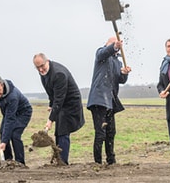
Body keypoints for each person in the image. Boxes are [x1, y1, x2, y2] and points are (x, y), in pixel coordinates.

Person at [33, 53, 85, 165]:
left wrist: (50, 119)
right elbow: (51, 92)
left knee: (63, 131)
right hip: (60, 103)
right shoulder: (44, 73)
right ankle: (59, 159)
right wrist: (51, 105)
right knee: (58, 132)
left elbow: (59, 99)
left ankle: (63, 162)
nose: (41, 70)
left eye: (42, 66)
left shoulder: (58, 74)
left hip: (70, 104)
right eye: (37, 68)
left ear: (47, 61)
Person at [86, 37, 132, 165]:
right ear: (107, 45)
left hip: (110, 101)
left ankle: (111, 161)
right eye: (111, 44)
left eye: (117, 45)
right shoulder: (101, 54)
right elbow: (104, 53)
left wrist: (124, 73)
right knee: (100, 132)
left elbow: (120, 80)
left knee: (111, 132)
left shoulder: (118, 62)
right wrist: (114, 46)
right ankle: (97, 163)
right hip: (98, 99)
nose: (115, 46)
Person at [0, 75, 33, 165]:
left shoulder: (12, 96)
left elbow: (10, 119)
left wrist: (4, 142)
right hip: (9, 113)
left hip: (23, 113)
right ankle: (8, 161)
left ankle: (20, 162)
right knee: (3, 132)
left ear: (2, 85)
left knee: (14, 134)